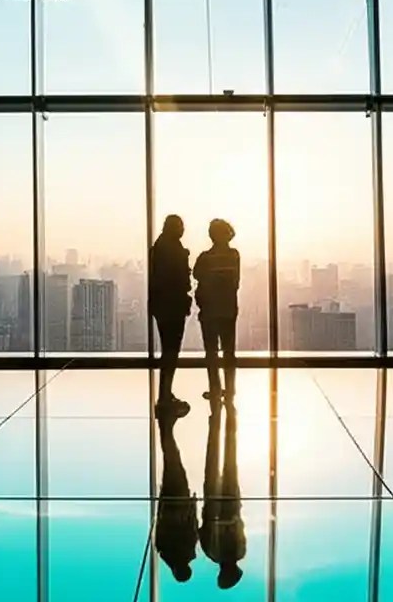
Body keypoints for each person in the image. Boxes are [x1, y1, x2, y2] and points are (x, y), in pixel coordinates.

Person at [193, 219, 240, 403]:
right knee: (229, 352)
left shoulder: (205, 258)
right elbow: (235, 282)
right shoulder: (234, 255)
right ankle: (230, 390)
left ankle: (214, 388)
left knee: (211, 352)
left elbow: (196, 274)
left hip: (210, 311)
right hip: (228, 309)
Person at [200, 401, 245, 589]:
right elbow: (202, 530)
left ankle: (229, 416)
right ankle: (216, 417)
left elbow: (240, 528)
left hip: (230, 504)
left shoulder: (239, 552)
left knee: (229, 458)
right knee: (213, 457)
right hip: (212, 505)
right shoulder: (211, 553)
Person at [150, 214, 192, 418]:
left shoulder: (158, 248)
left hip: (161, 306)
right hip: (173, 306)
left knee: (168, 351)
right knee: (171, 352)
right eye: (180, 226)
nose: (183, 230)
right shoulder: (174, 250)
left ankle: (165, 394)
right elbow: (182, 280)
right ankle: (165, 396)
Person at [155, 414, 197, 583]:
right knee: (170, 460)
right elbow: (159, 521)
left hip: (179, 501)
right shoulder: (164, 550)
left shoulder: (187, 552)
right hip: (169, 502)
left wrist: (192, 505)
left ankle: (166, 424)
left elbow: (191, 525)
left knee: (173, 459)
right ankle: (165, 425)